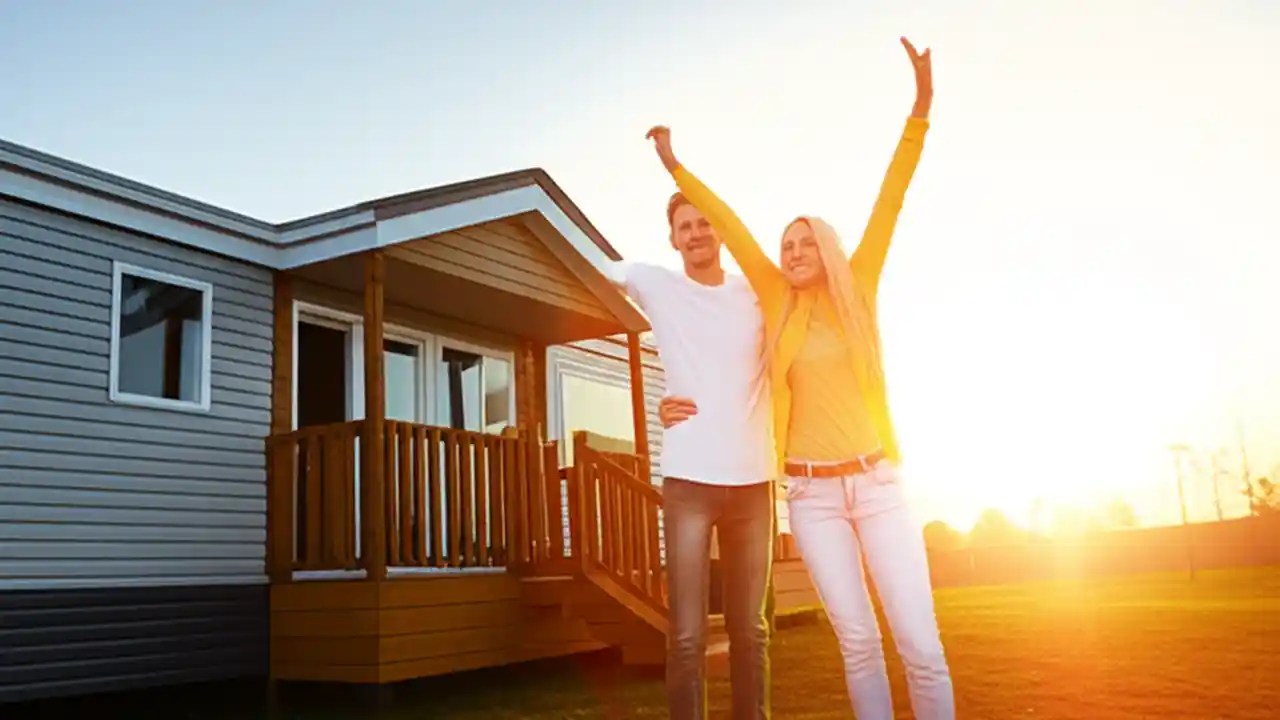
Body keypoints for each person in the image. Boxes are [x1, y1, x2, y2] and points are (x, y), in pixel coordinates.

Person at [646, 37, 954, 719]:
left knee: (920, 644)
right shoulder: (774, 298)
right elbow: (728, 224)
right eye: (785, 245)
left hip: (878, 485)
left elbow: (892, 196)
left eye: (805, 241)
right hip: (812, 495)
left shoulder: (858, 288)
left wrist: (921, 106)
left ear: (828, 247)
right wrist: (674, 165)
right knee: (859, 643)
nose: (791, 252)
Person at [605, 191, 777, 719]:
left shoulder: (756, 293)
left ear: (721, 231)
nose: (697, 233)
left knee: (751, 630)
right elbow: (584, 259)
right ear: (673, 238)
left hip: (753, 481)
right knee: (686, 635)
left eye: (705, 223)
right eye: (685, 226)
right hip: (688, 483)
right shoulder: (657, 284)